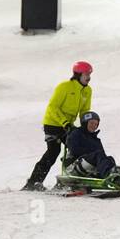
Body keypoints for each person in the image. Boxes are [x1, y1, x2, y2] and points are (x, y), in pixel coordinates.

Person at [23, 61, 93, 191]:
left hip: (68, 126)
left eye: (90, 74)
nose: (89, 77)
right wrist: (65, 123)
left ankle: (71, 180)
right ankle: (33, 182)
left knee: (76, 149)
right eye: (86, 74)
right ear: (78, 74)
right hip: (53, 123)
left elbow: (85, 111)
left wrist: (87, 126)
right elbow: (53, 107)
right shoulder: (64, 87)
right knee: (53, 152)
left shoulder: (87, 91)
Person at [63, 110, 120, 182]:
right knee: (98, 154)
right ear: (85, 123)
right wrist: (91, 154)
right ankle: (109, 176)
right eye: (91, 123)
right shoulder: (76, 133)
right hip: (74, 166)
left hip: (88, 165)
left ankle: (115, 177)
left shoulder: (96, 140)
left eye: (96, 124)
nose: (94, 126)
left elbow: (102, 157)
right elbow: (74, 150)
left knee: (109, 159)